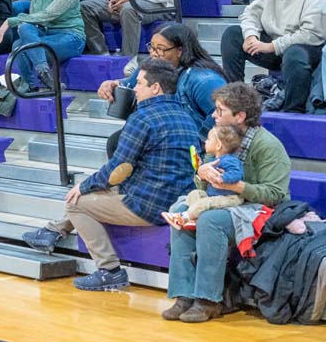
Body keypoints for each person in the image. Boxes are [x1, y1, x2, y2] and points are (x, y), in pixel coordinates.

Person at [23, 59, 199, 292]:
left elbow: (119, 168)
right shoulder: (186, 116)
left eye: (139, 83)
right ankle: (54, 230)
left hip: (149, 205)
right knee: (97, 191)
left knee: (78, 202)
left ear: (155, 88)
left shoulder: (143, 118)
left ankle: (109, 271)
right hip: (178, 200)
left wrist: (84, 186)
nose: (134, 88)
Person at [164, 82, 291, 323]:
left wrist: (236, 187)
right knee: (179, 211)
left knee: (211, 220)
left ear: (240, 116)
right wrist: (202, 174)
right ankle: (183, 295)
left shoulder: (268, 146)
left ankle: (208, 300)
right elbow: (206, 189)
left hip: (262, 210)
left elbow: (275, 194)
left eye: (220, 111)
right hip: (228, 201)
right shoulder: (219, 140)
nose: (213, 115)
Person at [221, 0, 326, 113]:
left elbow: (310, 34)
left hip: (307, 52)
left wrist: (271, 46)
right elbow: (250, 14)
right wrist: (251, 36)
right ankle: (236, 97)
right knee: (232, 35)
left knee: (294, 53)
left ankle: (293, 110)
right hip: (274, 49)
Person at [98, 22, 226, 139]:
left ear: (180, 50)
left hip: (189, 141)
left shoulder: (203, 79)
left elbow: (223, 112)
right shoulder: (152, 64)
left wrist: (202, 142)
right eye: (152, 47)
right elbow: (128, 85)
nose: (154, 54)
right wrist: (110, 85)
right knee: (119, 139)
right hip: (163, 132)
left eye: (160, 49)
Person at [0, 0, 85, 92]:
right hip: (47, 33)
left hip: (70, 37)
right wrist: (21, 22)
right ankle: (34, 83)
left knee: (22, 45)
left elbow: (47, 15)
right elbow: (35, 18)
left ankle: (39, 75)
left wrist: (12, 20)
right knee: (20, 40)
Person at [161, 124, 245, 228]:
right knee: (195, 194)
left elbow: (237, 173)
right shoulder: (214, 160)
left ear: (218, 145)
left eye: (209, 139)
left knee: (205, 202)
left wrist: (222, 178)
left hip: (229, 198)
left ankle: (183, 219)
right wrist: (200, 167)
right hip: (214, 195)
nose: (205, 141)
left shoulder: (230, 160)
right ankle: (195, 218)